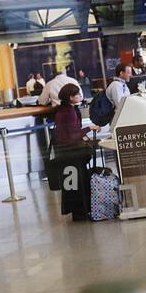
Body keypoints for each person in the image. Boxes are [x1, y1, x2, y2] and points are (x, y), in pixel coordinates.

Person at [50, 83, 95, 219]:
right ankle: (81, 211)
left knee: (71, 182)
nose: (81, 96)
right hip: (72, 152)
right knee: (79, 180)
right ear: (70, 97)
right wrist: (89, 129)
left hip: (64, 152)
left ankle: (77, 212)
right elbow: (73, 134)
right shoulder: (70, 112)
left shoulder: (63, 110)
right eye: (78, 95)